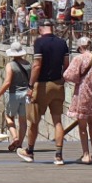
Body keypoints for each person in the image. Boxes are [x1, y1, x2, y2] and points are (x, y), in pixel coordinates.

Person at [21, 23, 71, 164]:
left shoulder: (39, 43)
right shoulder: (62, 43)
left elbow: (37, 65)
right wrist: (62, 78)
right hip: (57, 85)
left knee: (34, 120)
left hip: (42, 85)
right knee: (57, 121)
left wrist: (30, 85)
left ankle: (29, 152)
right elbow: (67, 64)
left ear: (40, 29)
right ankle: (58, 155)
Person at [62, 36, 92, 164]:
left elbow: (68, 75)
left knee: (82, 125)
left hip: (83, 93)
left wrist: (79, 80)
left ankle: (86, 154)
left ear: (80, 47)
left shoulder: (79, 59)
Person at [0, 43, 32, 153]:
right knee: (23, 121)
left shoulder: (10, 65)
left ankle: (15, 137)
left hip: (13, 94)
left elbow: (7, 82)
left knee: (8, 117)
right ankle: (20, 144)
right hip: (26, 95)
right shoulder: (28, 64)